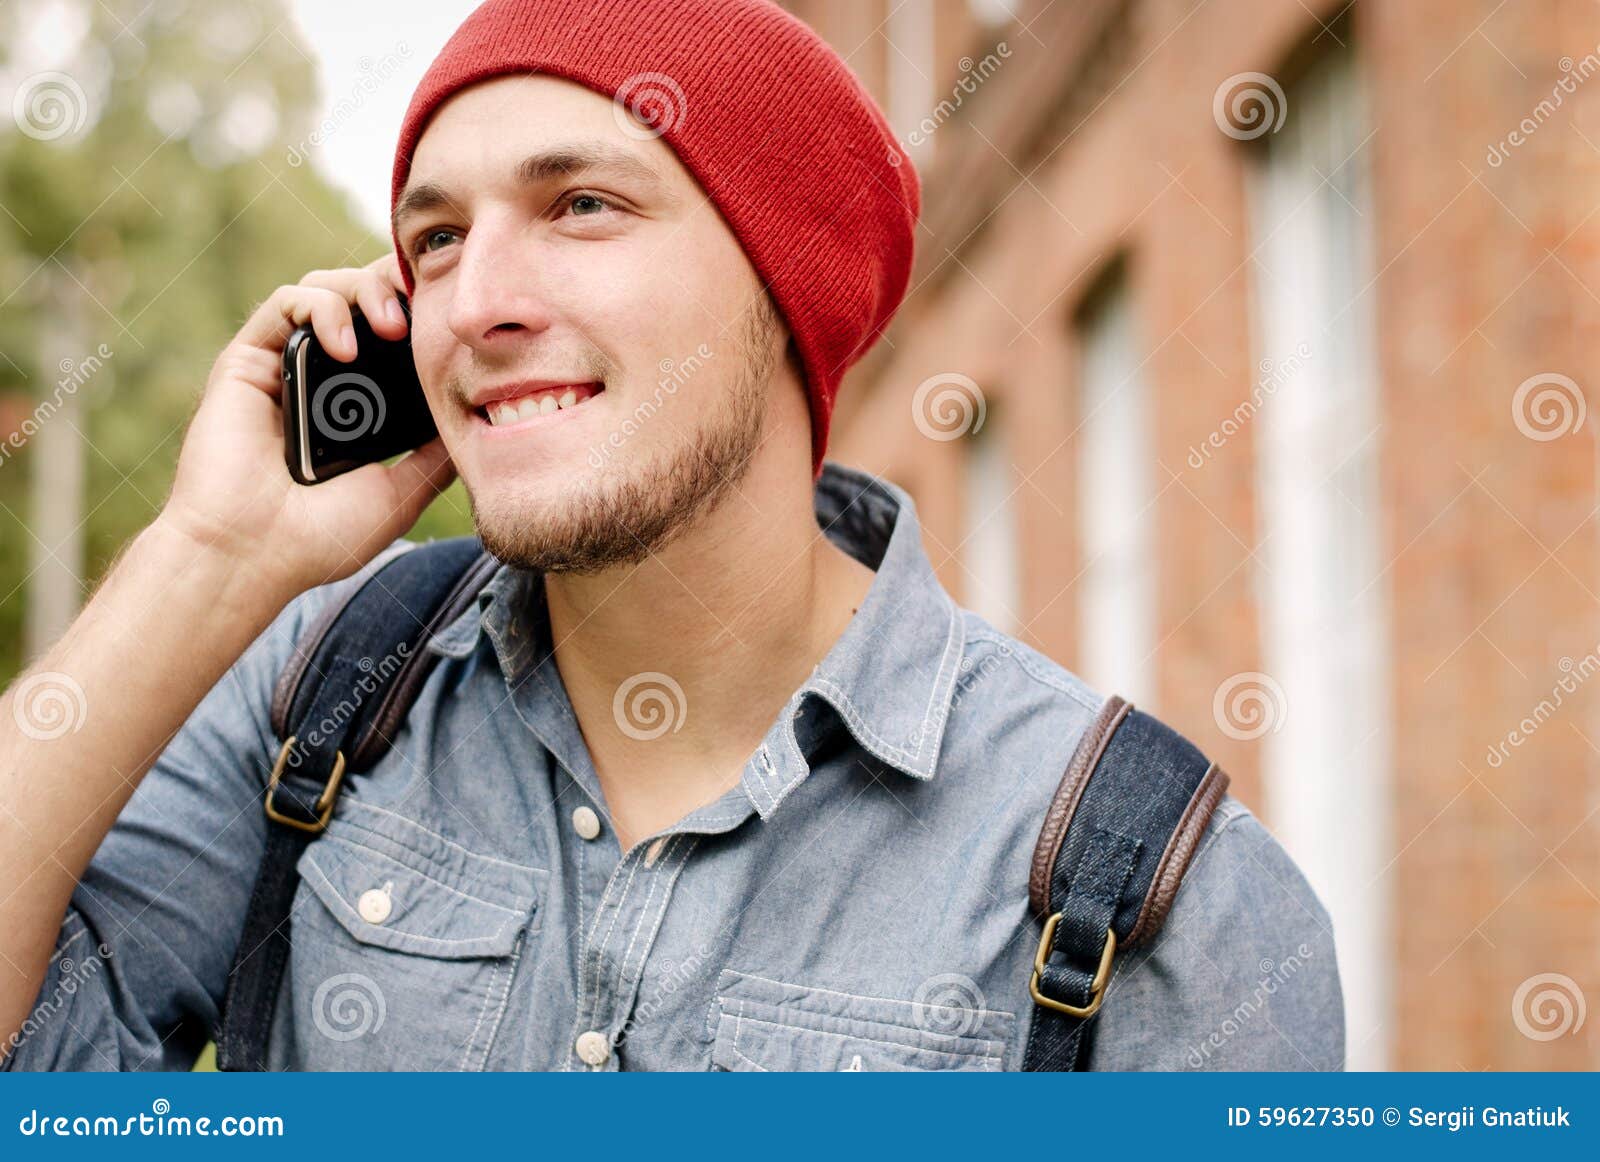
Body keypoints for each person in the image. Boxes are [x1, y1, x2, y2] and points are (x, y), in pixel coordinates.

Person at [0, 0, 1343, 1071]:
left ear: (783, 289)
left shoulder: (1159, 881)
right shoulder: (327, 698)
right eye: (440, 237)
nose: (478, 302)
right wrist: (210, 555)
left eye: (582, 204)